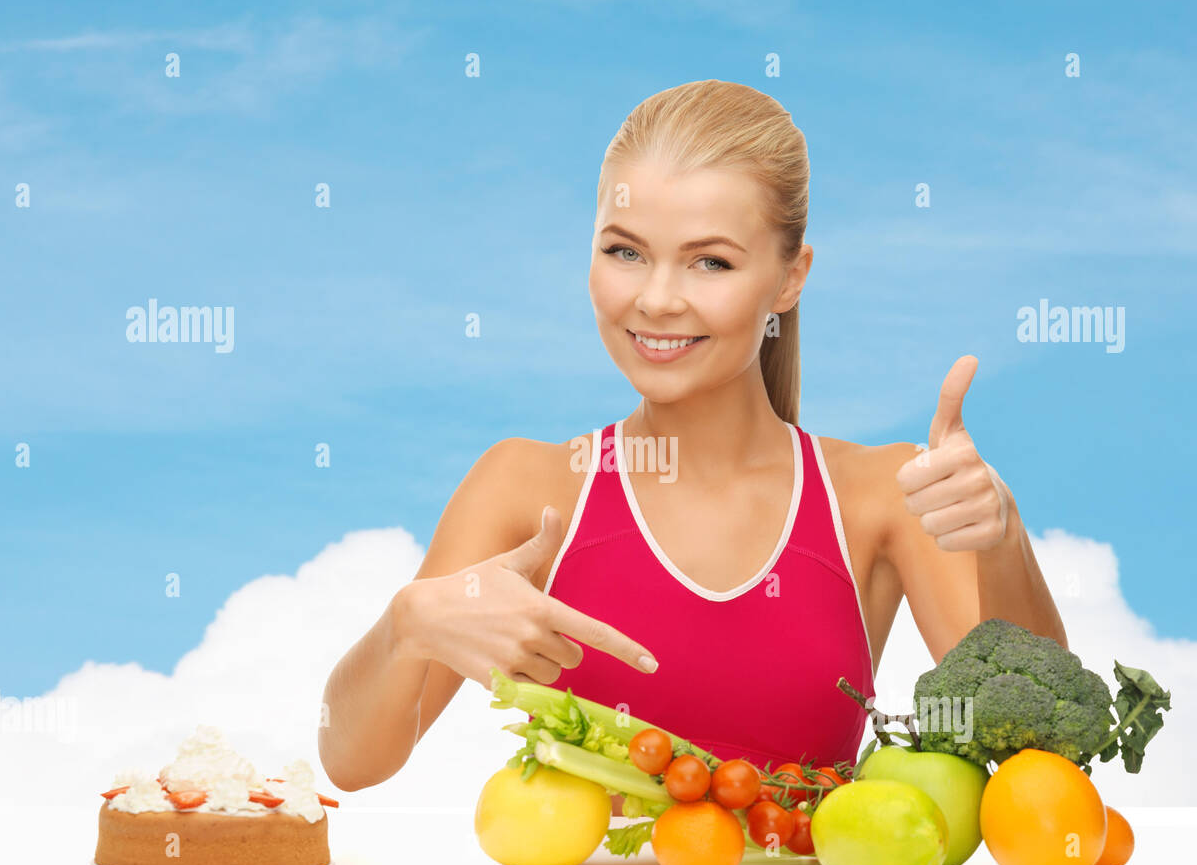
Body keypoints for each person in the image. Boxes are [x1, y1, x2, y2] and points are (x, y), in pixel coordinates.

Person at [319, 80, 1066, 802]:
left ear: (790, 278)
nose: (656, 299)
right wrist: (407, 626)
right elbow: (351, 762)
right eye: (625, 251)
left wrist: (1003, 538)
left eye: (711, 262)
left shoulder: (885, 494)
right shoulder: (523, 485)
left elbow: (1042, 759)